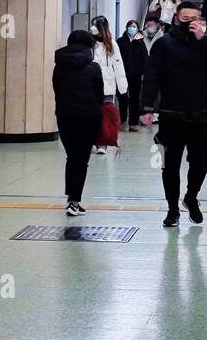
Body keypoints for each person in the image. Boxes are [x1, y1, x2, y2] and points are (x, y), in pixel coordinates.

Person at [141, 0, 207, 227]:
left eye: (195, 19)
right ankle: (172, 209)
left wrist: (204, 41)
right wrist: (147, 107)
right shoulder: (164, 44)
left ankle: (191, 196)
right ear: (175, 19)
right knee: (170, 165)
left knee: (200, 162)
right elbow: (152, 76)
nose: (190, 23)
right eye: (185, 19)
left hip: (201, 115)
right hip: (171, 115)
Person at [52, 29, 105, 217]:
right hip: (87, 118)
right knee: (81, 160)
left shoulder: (59, 66)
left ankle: (71, 199)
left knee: (71, 157)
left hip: (65, 117)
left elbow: (56, 89)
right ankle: (74, 201)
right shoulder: (93, 67)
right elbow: (99, 94)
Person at [89, 16, 128, 155]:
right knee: (92, 115)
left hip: (108, 86)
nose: (93, 29)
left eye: (96, 26)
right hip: (92, 86)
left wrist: (122, 87)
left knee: (105, 115)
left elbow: (118, 65)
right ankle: (92, 139)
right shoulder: (89, 44)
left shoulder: (111, 44)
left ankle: (102, 142)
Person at [119, 19, 148, 132]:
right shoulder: (120, 41)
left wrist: (143, 72)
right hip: (122, 74)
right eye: (130, 26)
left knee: (135, 99)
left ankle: (133, 123)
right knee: (122, 98)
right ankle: (122, 120)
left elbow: (145, 59)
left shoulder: (141, 43)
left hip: (136, 75)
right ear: (126, 28)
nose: (132, 28)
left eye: (134, 26)